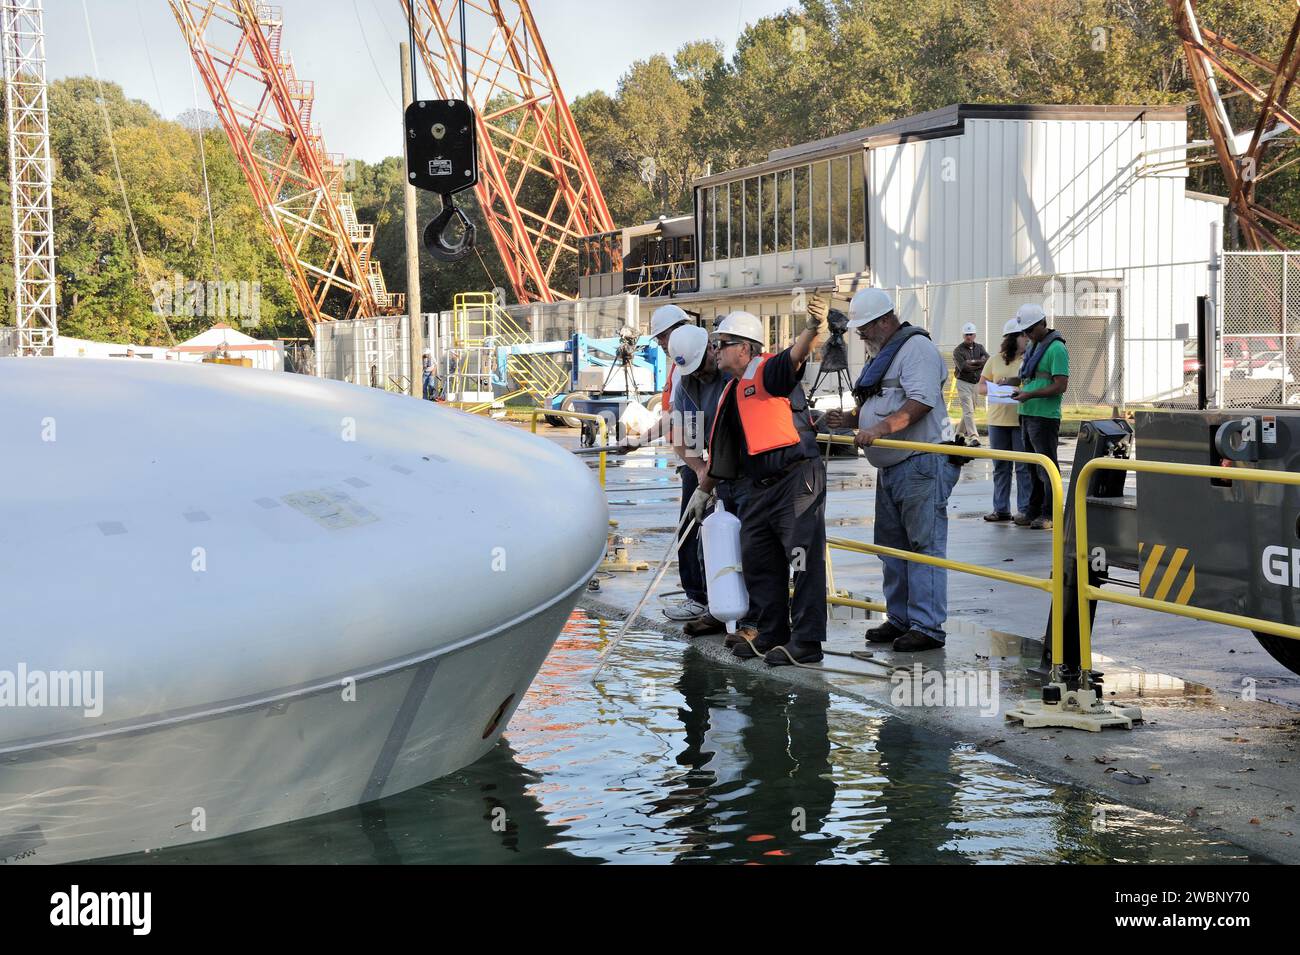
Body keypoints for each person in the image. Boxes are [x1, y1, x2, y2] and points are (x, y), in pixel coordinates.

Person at [824, 287, 959, 652]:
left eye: (865, 327)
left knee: (923, 545)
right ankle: (900, 618)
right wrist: (851, 419)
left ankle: (928, 626)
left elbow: (921, 402)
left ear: (885, 320)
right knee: (892, 545)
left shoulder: (916, 350)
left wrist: (878, 430)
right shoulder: (883, 352)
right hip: (894, 464)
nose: (860, 335)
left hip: (921, 462)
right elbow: (881, 403)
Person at [697, 308, 827, 666]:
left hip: (795, 479)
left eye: (721, 344)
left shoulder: (766, 371)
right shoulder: (734, 389)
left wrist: (812, 330)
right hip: (759, 486)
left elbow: (795, 356)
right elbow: (725, 451)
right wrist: (702, 490)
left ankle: (807, 640)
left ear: (745, 348)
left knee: (801, 561)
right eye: (715, 344)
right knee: (758, 559)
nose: (715, 351)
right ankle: (773, 632)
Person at [664, 323, 756, 641]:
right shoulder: (686, 383)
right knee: (700, 530)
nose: (702, 375)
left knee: (748, 538)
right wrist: (701, 469)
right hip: (709, 464)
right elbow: (682, 437)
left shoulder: (732, 374)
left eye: (702, 367)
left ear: (712, 350)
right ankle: (713, 603)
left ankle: (753, 614)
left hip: (742, 465)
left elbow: (738, 436)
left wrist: (712, 472)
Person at [634, 305, 703, 621]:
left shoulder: (685, 364)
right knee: (700, 529)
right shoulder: (684, 364)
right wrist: (637, 441)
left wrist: (699, 466)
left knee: (691, 530)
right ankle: (707, 597)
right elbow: (674, 417)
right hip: (697, 457)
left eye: (662, 337)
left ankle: (699, 598)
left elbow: (677, 417)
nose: (660, 344)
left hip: (699, 459)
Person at [1008, 303, 1069, 531]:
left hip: (1044, 416)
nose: (1027, 335)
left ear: (1043, 324)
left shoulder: (1056, 349)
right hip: (1027, 413)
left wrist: (1030, 394)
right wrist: (1012, 384)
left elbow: (1060, 385)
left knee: (1047, 467)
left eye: (1030, 330)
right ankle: (1033, 509)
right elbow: (1032, 377)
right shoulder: (1035, 347)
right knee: (1033, 466)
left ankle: (1050, 512)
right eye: (1025, 332)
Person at [979, 318, 1032, 523]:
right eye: (1022, 335)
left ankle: (1024, 510)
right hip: (997, 421)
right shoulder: (995, 360)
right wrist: (997, 387)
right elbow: (981, 387)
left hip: (1020, 420)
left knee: (1022, 467)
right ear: (1012, 338)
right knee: (1001, 467)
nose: (1026, 339)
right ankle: (1000, 509)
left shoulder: (1030, 359)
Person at [952, 322, 988, 447]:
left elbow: (987, 361)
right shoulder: (958, 350)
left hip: (975, 383)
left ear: (975, 335)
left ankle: (958, 433)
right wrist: (979, 363)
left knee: (970, 410)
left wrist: (972, 362)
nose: (969, 337)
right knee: (968, 410)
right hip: (963, 383)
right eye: (966, 334)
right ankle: (974, 436)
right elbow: (964, 367)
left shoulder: (980, 347)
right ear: (963, 335)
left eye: (971, 334)